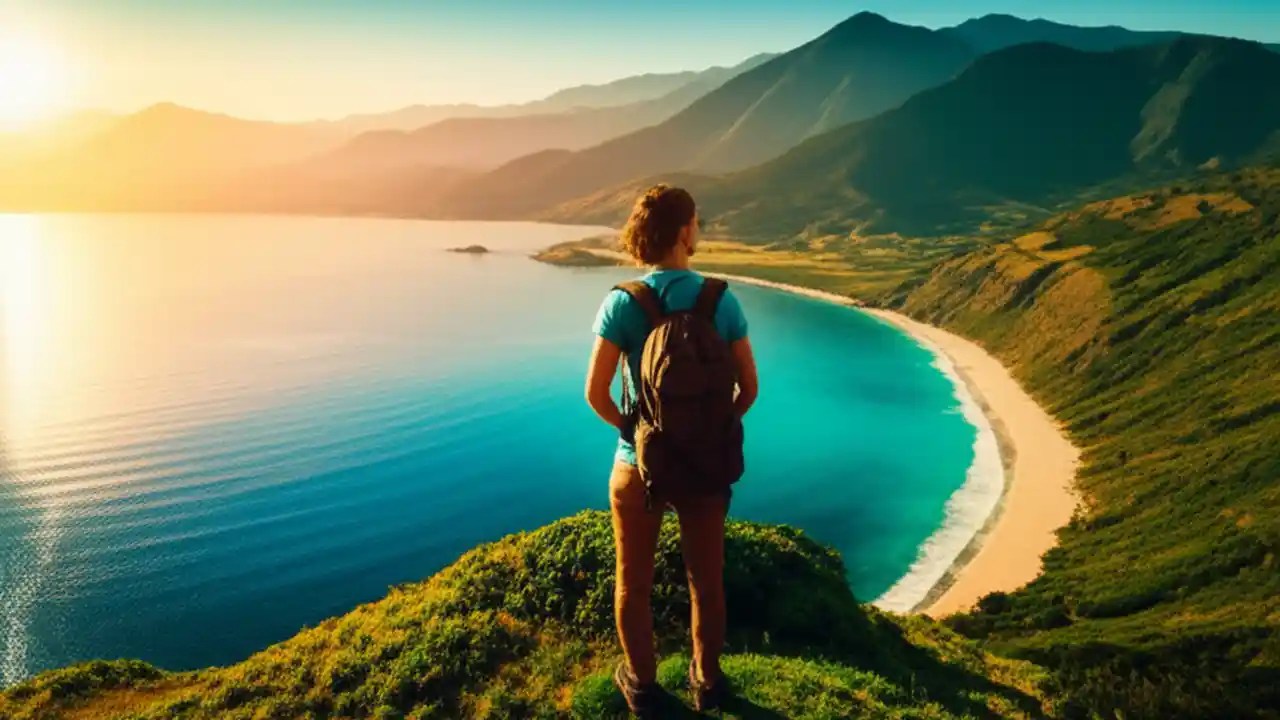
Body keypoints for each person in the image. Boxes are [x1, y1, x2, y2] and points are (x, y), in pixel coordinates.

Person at [584, 184, 759, 715]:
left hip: (638, 467)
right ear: (685, 232)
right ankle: (708, 683)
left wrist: (634, 433)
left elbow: (595, 395)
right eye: (697, 223)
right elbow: (748, 389)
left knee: (632, 583)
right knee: (706, 584)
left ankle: (642, 686)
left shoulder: (621, 302)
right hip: (706, 469)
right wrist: (709, 432)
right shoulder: (720, 299)